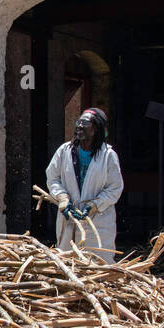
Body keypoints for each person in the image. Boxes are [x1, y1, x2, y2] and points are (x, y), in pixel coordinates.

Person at [46, 107, 123, 262]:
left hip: (98, 223)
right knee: (68, 263)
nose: (79, 126)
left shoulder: (108, 156)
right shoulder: (64, 151)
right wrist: (62, 198)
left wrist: (95, 205)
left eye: (85, 123)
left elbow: (115, 188)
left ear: (97, 128)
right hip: (70, 221)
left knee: (98, 264)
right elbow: (53, 178)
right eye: (78, 122)